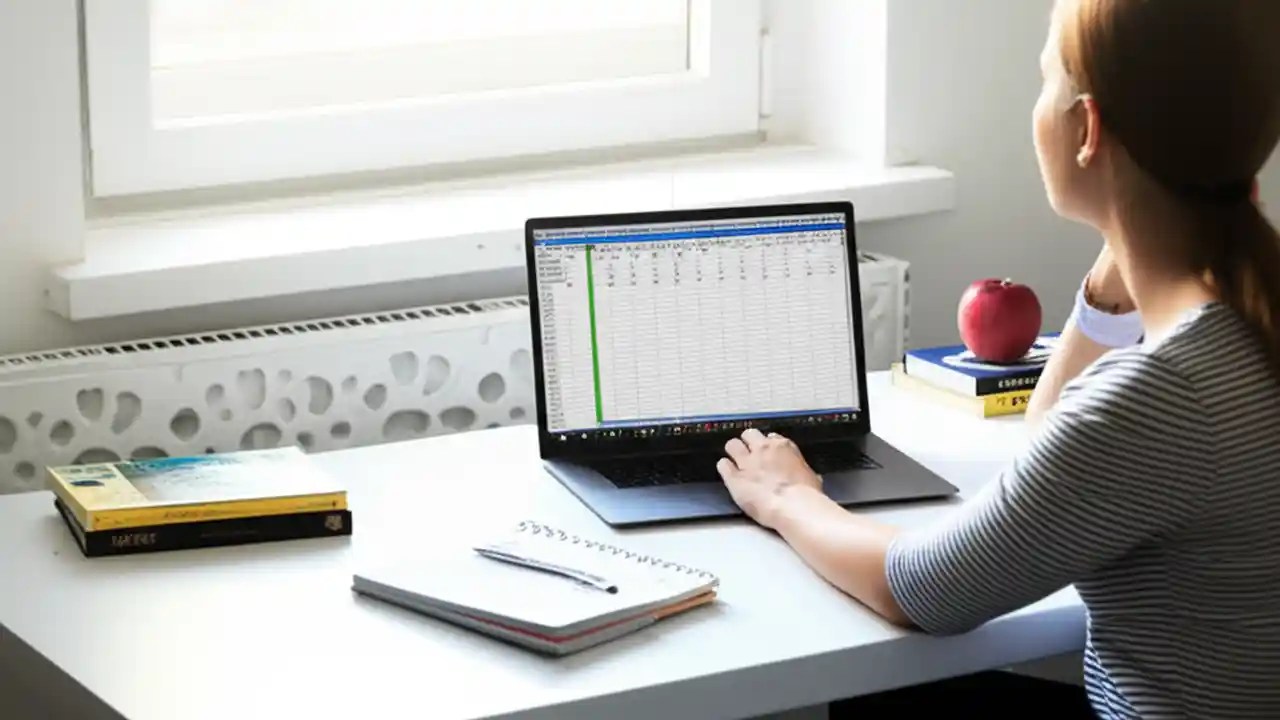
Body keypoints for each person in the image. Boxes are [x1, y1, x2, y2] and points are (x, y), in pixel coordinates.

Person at [714, 0, 1280, 717]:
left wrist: (785, 496)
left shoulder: (1160, 397)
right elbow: (1048, 454)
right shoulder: (1242, 333)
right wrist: (1121, 269)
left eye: (1044, 80)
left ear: (1088, 128)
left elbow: (919, 590)